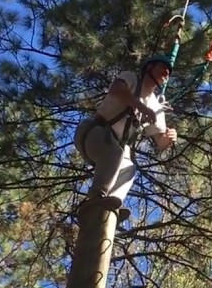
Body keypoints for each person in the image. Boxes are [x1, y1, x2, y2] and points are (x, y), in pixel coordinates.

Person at [74, 53, 179, 219]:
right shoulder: (131, 78)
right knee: (115, 152)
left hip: (115, 146)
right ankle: (96, 197)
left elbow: (160, 143)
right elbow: (117, 90)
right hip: (94, 131)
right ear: (149, 67)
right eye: (163, 68)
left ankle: (112, 204)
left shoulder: (156, 107)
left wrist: (170, 137)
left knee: (129, 167)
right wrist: (141, 107)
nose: (167, 73)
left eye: (169, 72)